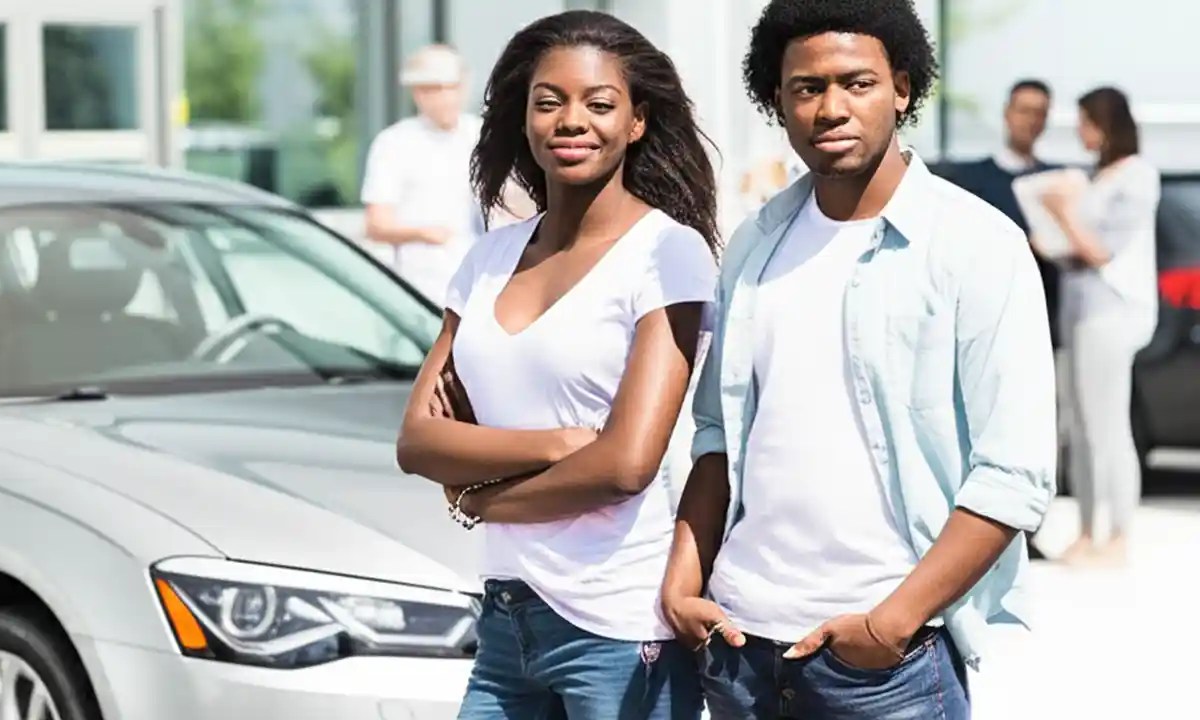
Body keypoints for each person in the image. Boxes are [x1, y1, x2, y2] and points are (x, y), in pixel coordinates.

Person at [658, 2, 1057, 718]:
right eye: (806, 88)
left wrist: (891, 623)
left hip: (883, 667)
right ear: (776, 100)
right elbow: (717, 434)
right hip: (742, 647)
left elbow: (1014, 476)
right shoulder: (756, 242)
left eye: (857, 83)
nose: (830, 108)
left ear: (902, 88)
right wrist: (681, 584)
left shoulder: (976, 246)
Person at [395, 10, 720, 719]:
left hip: (618, 628)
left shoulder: (668, 254)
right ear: (524, 119)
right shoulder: (487, 260)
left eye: (600, 104)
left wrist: (479, 497)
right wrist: (558, 444)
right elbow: (418, 441)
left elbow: (624, 468)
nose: (573, 121)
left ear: (636, 122)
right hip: (506, 615)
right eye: (549, 103)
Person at [1042, 87, 1160, 566]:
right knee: (1081, 425)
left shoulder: (1137, 176)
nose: (1080, 131)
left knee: (1109, 427)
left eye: (1087, 121)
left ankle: (1119, 535)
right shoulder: (1093, 177)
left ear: (1106, 123)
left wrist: (1061, 213)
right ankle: (1088, 531)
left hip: (1112, 310)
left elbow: (1101, 251)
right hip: (1078, 309)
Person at [360, 44, 482, 303]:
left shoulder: (482, 136)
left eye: (452, 87)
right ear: (418, 93)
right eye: (435, 89)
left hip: (480, 285)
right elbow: (376, 225)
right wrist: (426, 234)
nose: (446, 97)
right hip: (419, 288)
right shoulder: (394, 143)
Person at [953, 79, 1061, 348]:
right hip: (985, 313)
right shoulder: (972, 180)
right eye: (1024, 110)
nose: (1031, 121)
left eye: (1040, 113)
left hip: (1041, 312)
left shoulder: (1056, 180)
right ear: (1007, 113)